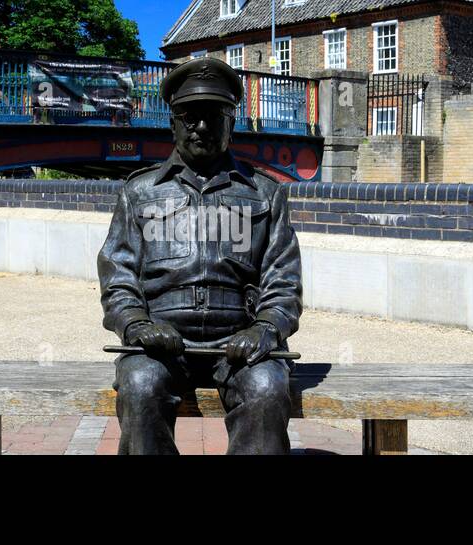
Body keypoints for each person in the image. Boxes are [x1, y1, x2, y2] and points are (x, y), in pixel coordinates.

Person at [97, 57, 303, 455]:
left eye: (214, 116)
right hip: (160, 342)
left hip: (241, 340)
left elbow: (284, 279)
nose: (202, 127)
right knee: (141, 386)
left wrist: (267, 328)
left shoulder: (265, 193)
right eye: (191, 118)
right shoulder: (138, 192)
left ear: (232, 122)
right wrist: (135, 323)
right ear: (173, 123)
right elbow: (117, 274)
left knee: (266, 388)